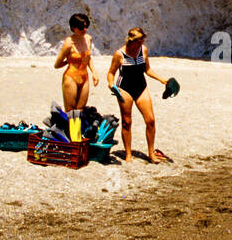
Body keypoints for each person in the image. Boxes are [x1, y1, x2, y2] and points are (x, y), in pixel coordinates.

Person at [107, 27, 171, 163]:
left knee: (151, 121)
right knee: (126, 122)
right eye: (139, 41)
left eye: (143, 40)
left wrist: (162, 79)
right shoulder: (119, 54)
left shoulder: (144, 50)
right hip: (124, 88)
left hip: (141, 87)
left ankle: (151, 153)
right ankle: (128, 154)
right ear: (132, 40)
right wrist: (111, 84)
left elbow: (147, 69)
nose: (142, 43)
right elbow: (111, 73)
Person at [54, 13, 98, 141]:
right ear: (73, 28)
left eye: (86, 27)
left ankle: (77, 137)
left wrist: (94, 73)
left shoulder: (88, 39)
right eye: (81, 28)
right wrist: (69, 61)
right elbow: (57, 64)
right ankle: (73, 139)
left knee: (80, 110)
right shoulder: (69, 43)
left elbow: (88, 58)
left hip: (84, 77)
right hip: (70, 77)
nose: (84, 30)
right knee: (70, 112)